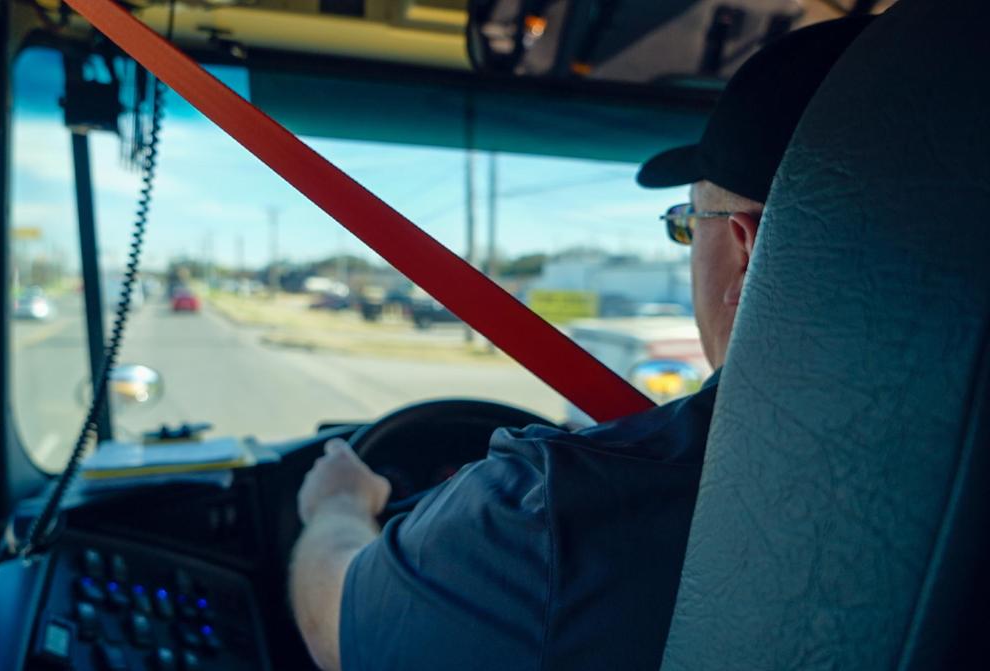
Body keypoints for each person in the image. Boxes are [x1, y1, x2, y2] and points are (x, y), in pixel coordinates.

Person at [290, 16, 873, 671]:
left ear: (746, 250)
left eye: (688, 224)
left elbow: (334, 624)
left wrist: (338, 505)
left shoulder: (553, 514)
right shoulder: (937, 473)